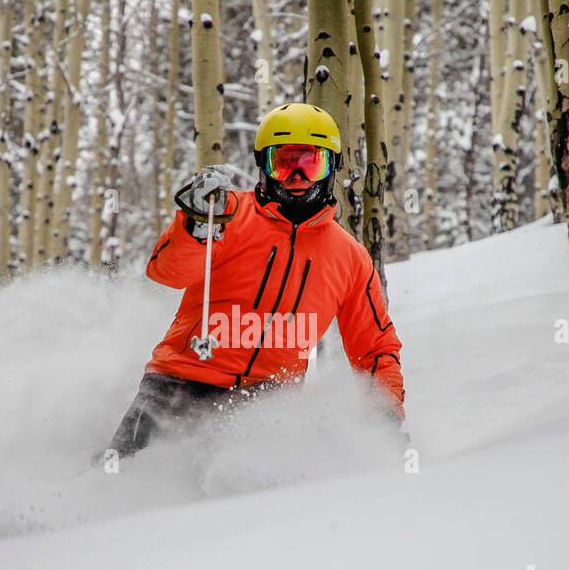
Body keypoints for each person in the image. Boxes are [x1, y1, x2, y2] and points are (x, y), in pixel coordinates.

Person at [107, 102, 405, 458]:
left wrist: (384, 418)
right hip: (179, 385)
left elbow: (375, 348)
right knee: (118, 475)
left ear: (332, 168)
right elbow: (166, 273)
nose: (297, 179)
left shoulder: (350, 258)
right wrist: (196, 227)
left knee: (239, 502)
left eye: (310, 164)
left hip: (264, 405)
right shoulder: (224, 213)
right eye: (284, 164)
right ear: (263, 165)